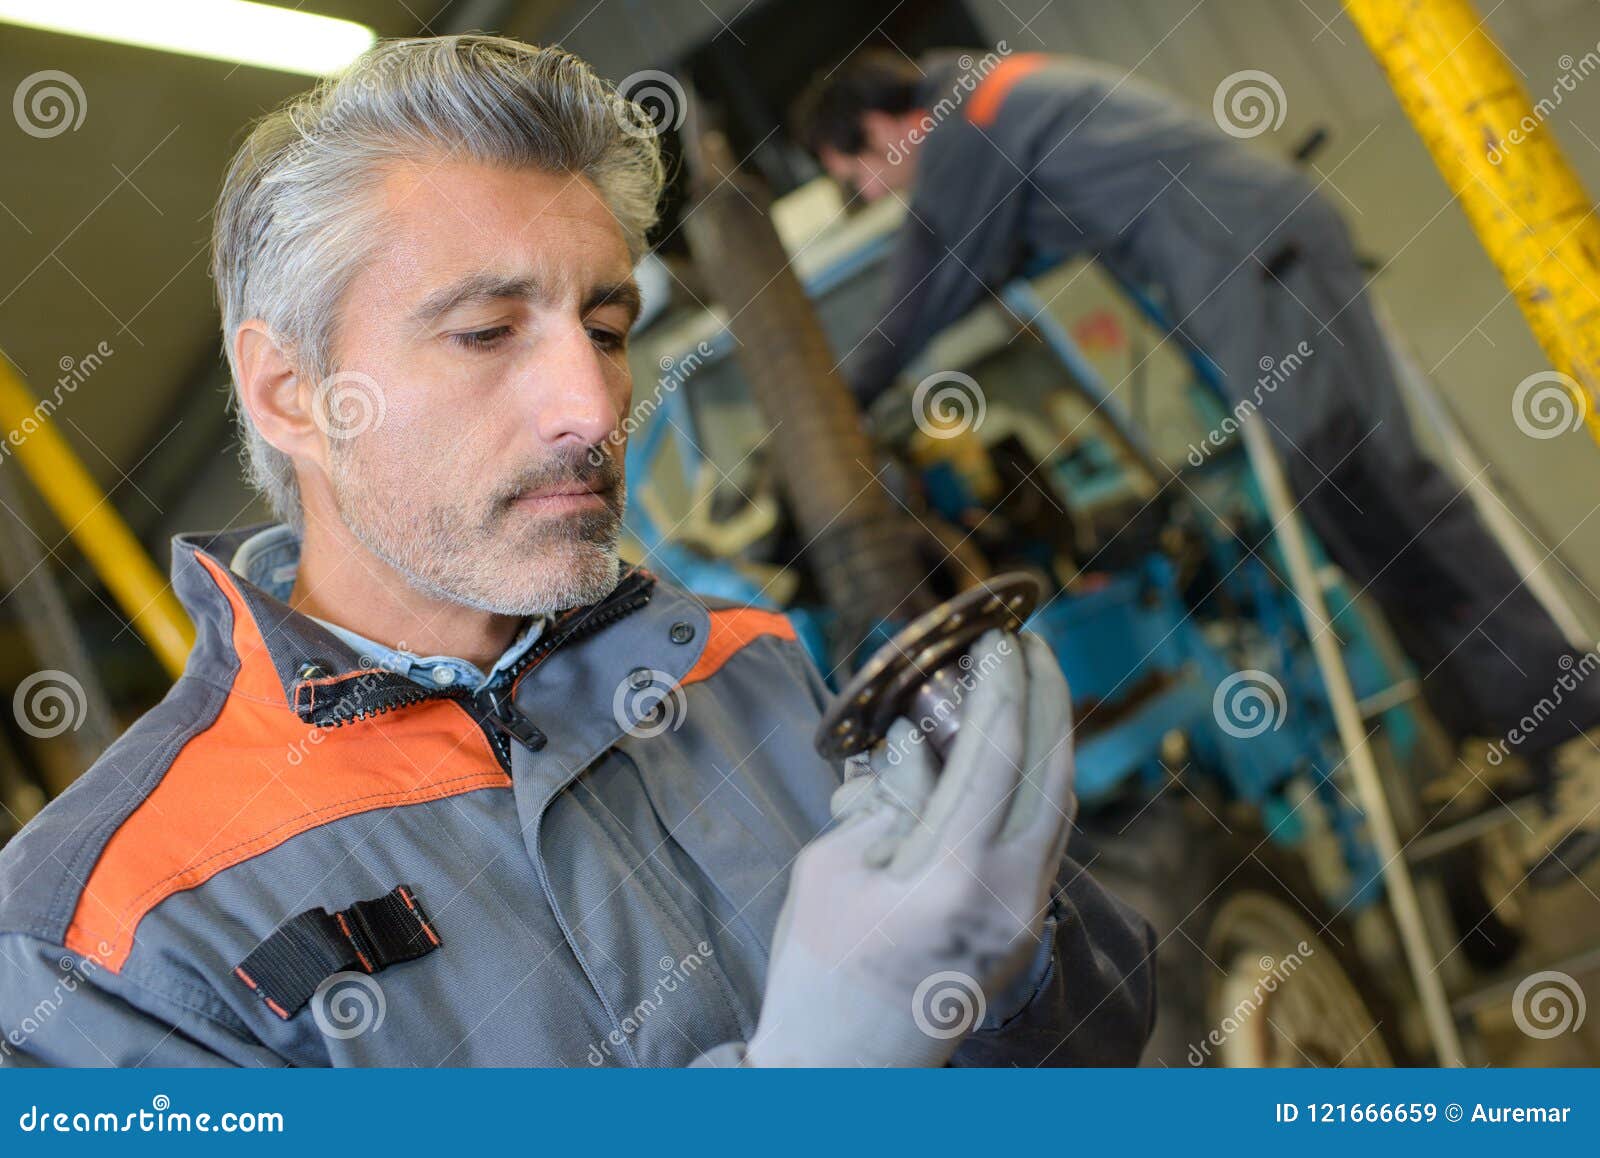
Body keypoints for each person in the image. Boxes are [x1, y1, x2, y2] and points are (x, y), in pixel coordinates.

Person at [0, 35, 1155, 1068]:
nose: (593, 408)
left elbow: (1096, 1059)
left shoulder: (748, 668)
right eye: (486, 332)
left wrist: (1015, 969)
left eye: (605, 330)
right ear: (293, 395)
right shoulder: (102, 934)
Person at [796, 49, 1600, 876]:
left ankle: (1579, 736)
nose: (865, 193)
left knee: (1386, 498)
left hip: (1258, 266)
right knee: (1354, 519)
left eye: (852, 169)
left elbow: (930, 276)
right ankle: (1497, 734)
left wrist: (824, 404)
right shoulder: (998, 105)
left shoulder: (973, 119)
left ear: (887, 126)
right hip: (1248, 268)